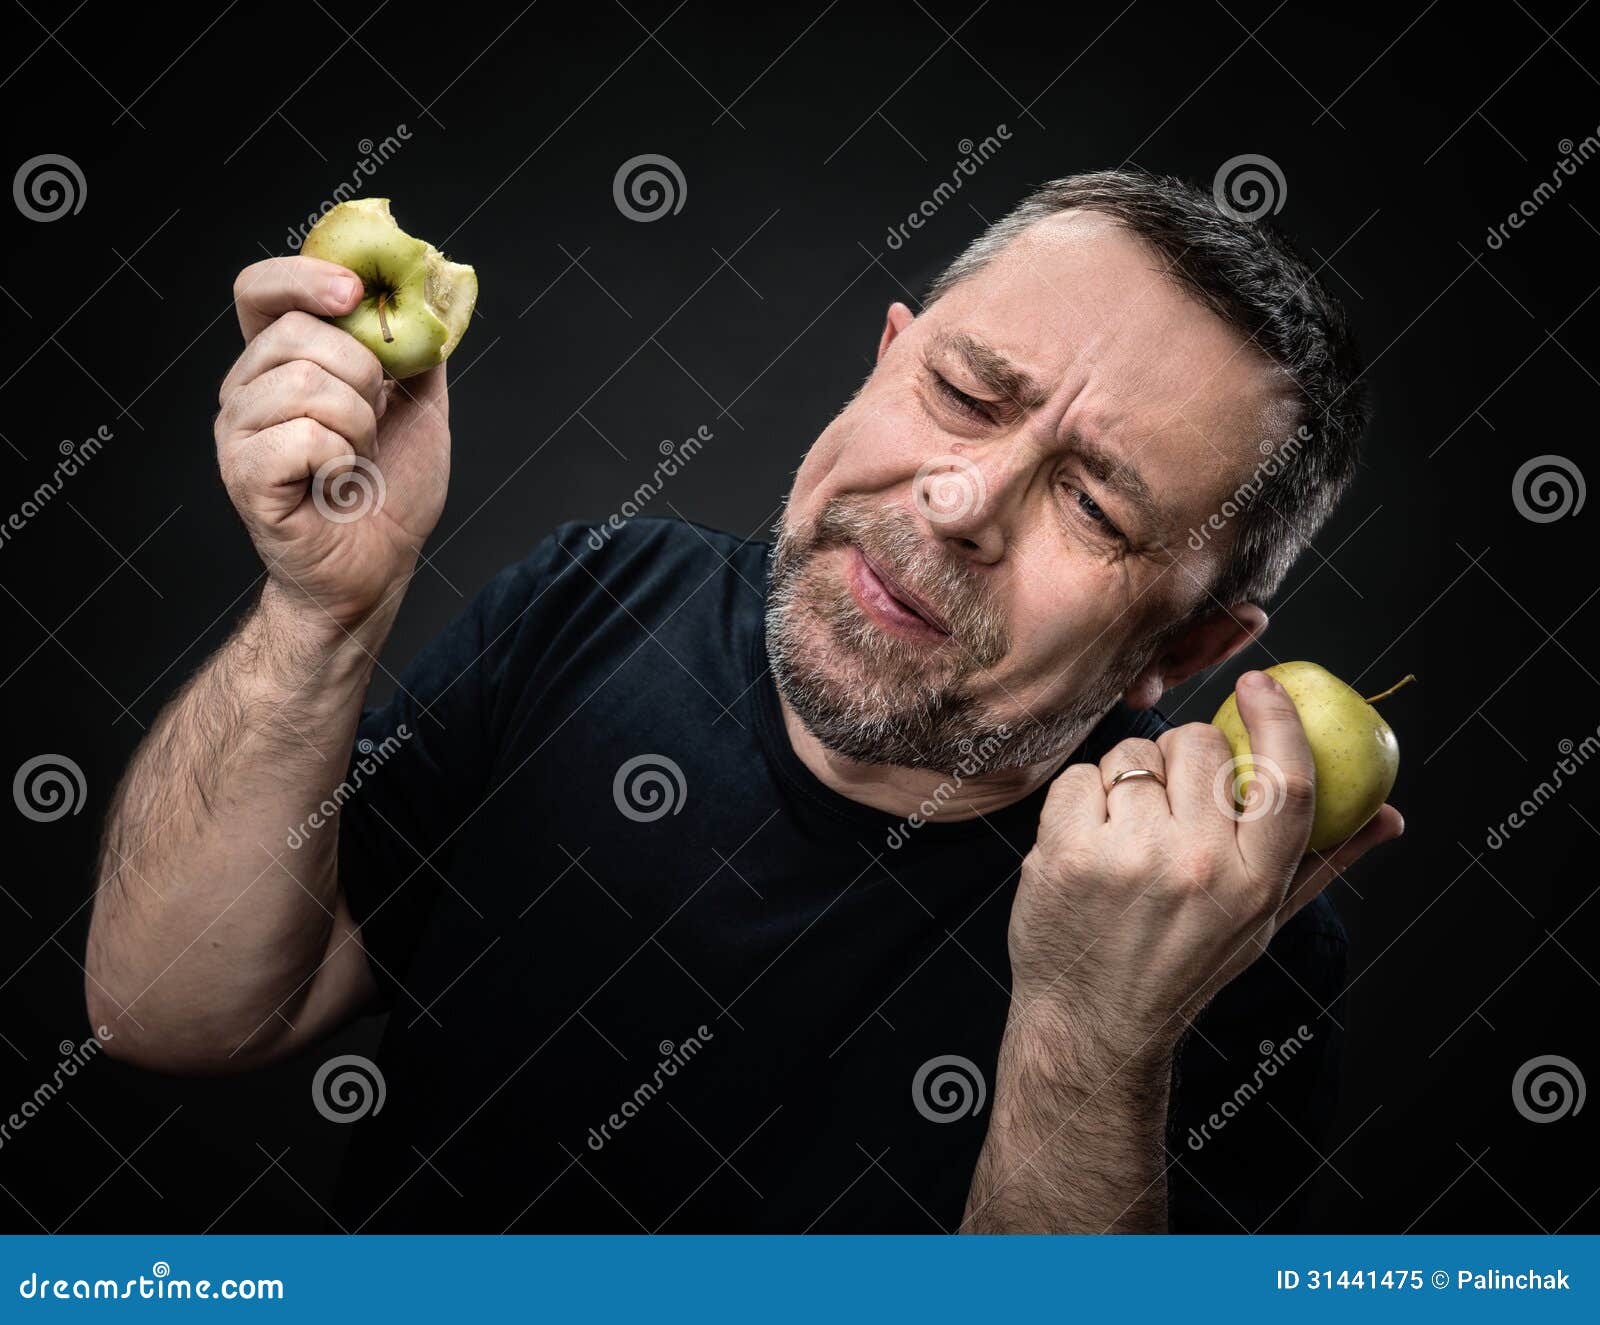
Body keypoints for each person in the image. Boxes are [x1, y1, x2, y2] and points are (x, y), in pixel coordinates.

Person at [86, 169, 1401, 1232]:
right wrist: (323, 617)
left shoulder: (1220, 920)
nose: (959, 503)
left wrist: (1088, 1036)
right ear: (887, 358)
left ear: (1188, 648)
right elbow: (173, 1007)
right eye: (960, 394)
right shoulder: (597, 599)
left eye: (1095, 502)